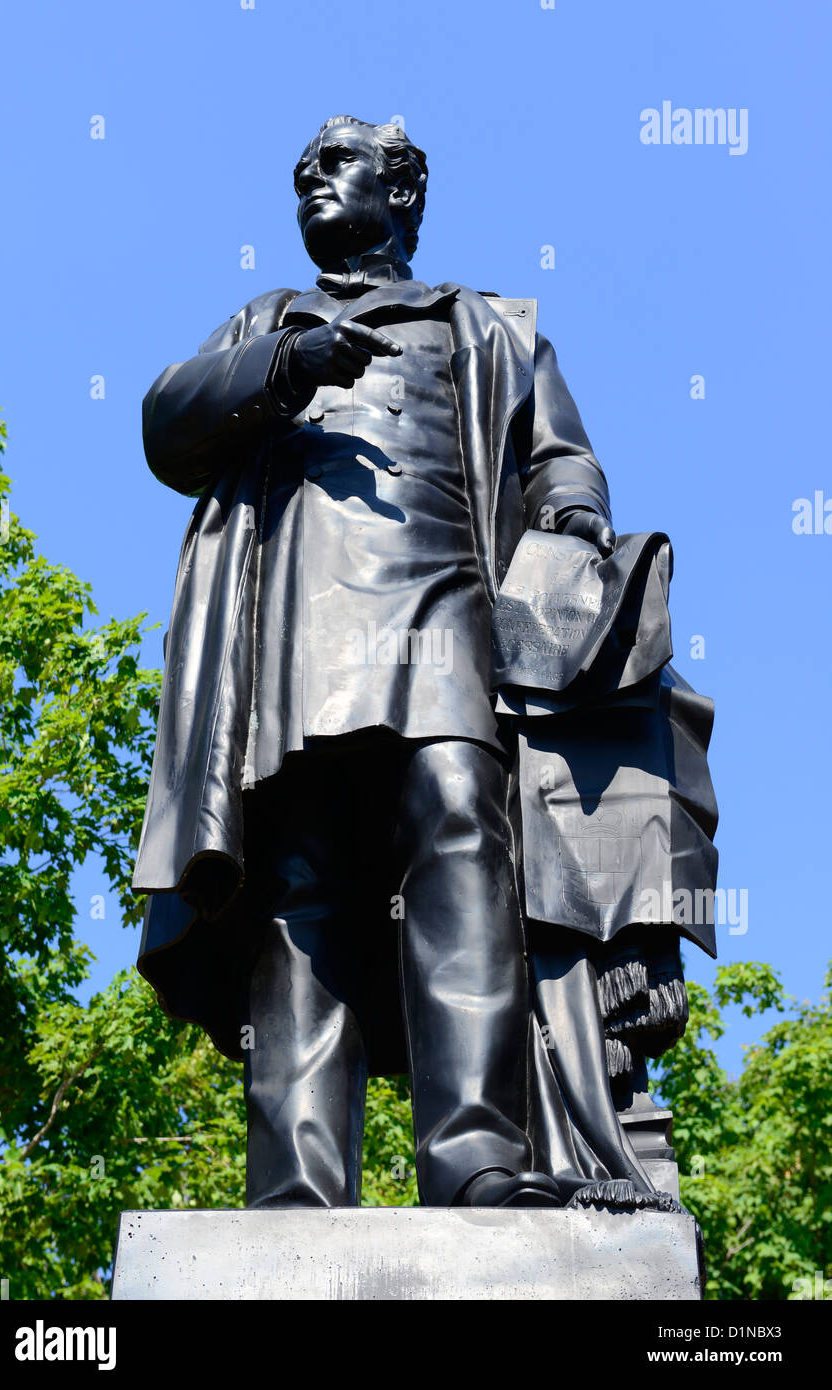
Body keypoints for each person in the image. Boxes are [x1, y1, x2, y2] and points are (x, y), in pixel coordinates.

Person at [132, 116, 700, 1210]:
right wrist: (283, 368)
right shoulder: (269, 321)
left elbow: (561, 460)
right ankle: (295, 1190)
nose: (307, 177)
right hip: (292, 646)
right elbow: (166, 423)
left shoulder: (484, 325)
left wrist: (577, 525)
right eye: (298, 169)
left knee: (459, 839)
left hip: (448, 629)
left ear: (404, 190)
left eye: (333, 163)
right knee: (299, 883)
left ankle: (477, 1158)